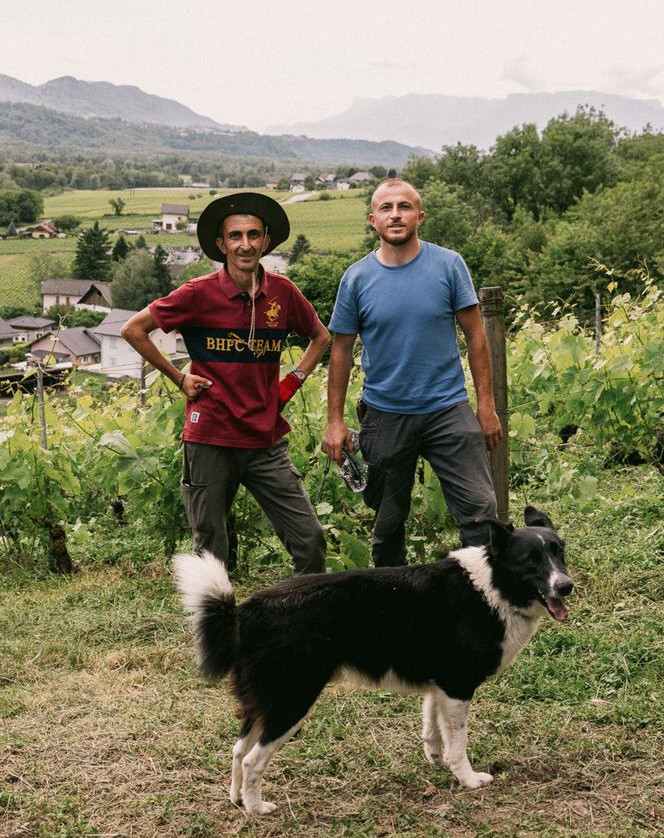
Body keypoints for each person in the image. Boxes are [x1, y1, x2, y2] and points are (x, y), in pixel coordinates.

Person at [121, 192, 330, 574]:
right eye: (235, 236)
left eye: (253, 235)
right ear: (221, 244)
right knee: (210, 547)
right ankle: (216, 625)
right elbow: (133, 329)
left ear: (266, 240)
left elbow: (321, 337)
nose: (245, 244)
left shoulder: (283, 293)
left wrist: (293, 381)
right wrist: (179, 377)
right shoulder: (198, 293)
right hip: (210, 438)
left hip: (264, 440)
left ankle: (307, 621)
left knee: (310, 539)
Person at [322, 178, 502, 566]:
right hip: (385, 413)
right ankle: (390, 600)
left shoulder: (449, 265)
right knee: (388, 521)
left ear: (420, 216)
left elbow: (476, 337)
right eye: (386, 208)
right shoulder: (357, 278)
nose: (396, 214)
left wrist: (485, 406)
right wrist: (334, 421)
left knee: (481, 512)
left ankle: (487, 597)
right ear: (373, 220)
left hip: (447, 409)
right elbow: (340, 351)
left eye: (404, 207)